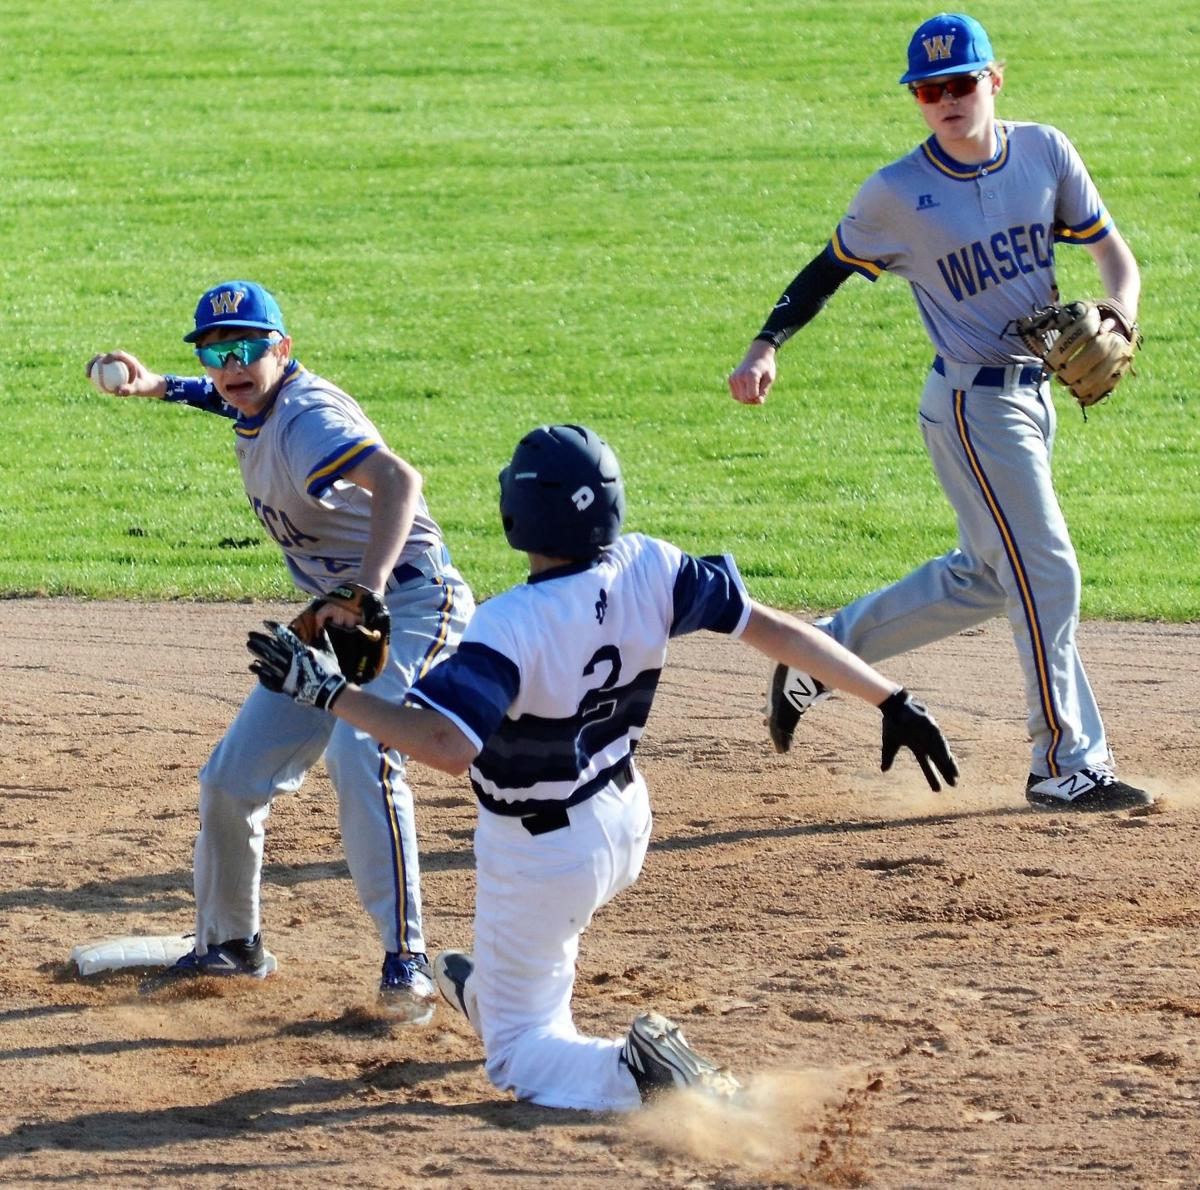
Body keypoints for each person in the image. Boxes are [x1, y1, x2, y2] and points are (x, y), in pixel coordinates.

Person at [246, 423, 959, 1110]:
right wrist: (888, 696)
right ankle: (489, 988)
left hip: (541, 856)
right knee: (520, 969)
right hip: (623, 822)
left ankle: (635, 1071)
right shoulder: (652, 564)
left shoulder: (510, 623)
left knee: (522, 1053)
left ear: (517, 515)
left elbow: (444, 745)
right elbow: (768, 627)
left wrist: (329, 693)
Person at [728, 12, 1150, 813]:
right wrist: (764, 345)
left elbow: (1111, 255)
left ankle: (819, 654)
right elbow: (823, 272)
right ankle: (1062, 764)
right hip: (970, 407)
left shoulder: (1044, 152)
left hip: (1033, 400)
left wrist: (1120, 314)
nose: (947, 100)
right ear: (917, 100)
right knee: (1046, 571)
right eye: (929, 90)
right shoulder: (896, 193)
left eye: (960, 82)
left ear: (993, 80)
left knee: (989, 580)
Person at [86, 280, 475, 1022]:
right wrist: (157, 387)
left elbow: (400, 479)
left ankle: (408, 962)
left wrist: (368, 593)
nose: (231, 364)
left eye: (247, 347)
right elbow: (228, 398)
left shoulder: (309, 420)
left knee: (364, 750)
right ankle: (232, 946)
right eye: (215, 350)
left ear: (284, 350)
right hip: (331, 621)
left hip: (412, 604)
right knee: (232, 778)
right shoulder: (255, 398)